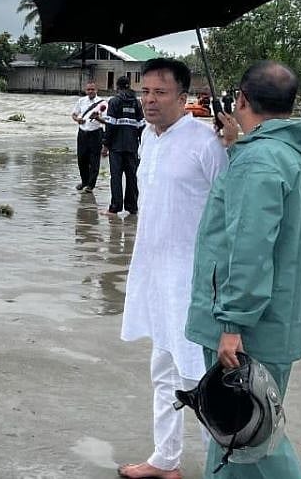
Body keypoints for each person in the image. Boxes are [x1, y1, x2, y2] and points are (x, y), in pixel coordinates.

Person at [186, 60, 301, 478]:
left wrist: (232, 324)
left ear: (241, 99)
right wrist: (236, 145)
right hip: (277, 320)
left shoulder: (258, 161)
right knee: (231, 433)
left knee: (256, 438)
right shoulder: (291, 153)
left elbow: (248, 250)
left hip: (249, 329)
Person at [116, 59, 227, 479]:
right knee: (162, 369)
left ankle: (220, 467)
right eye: (146, 92)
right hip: (154, 271)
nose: (149, 100)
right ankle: (166, 458)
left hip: (192, 278)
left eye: (160, 93)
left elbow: (228, 209)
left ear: (184, 97)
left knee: (200, 377)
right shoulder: (147, 138)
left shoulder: (206, 141)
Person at [102, 75, 145, 217]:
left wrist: (106, 145)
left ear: (117, 87)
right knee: (132, 177)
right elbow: (142, 126)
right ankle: (132, 207)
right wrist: (143, 146)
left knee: (116, 177)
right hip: (133, 147)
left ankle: (115, 208)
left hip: (116, 147)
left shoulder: (114, 101)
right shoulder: (137, 103)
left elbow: (111, 125)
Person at [71, 81, 105, 192]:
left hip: (96, 133)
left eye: (92, 89)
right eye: (88, 89)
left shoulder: (103, 103)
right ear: (86, 90)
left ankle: (91, 185)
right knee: (82, 159)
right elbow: (74, 114)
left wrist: (97, 118)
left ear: (96, 90)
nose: (90, 91)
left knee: (94, 160)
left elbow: (107, 121)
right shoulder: (81, 101)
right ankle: (84, 181)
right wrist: (77, 120)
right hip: (82, 133)